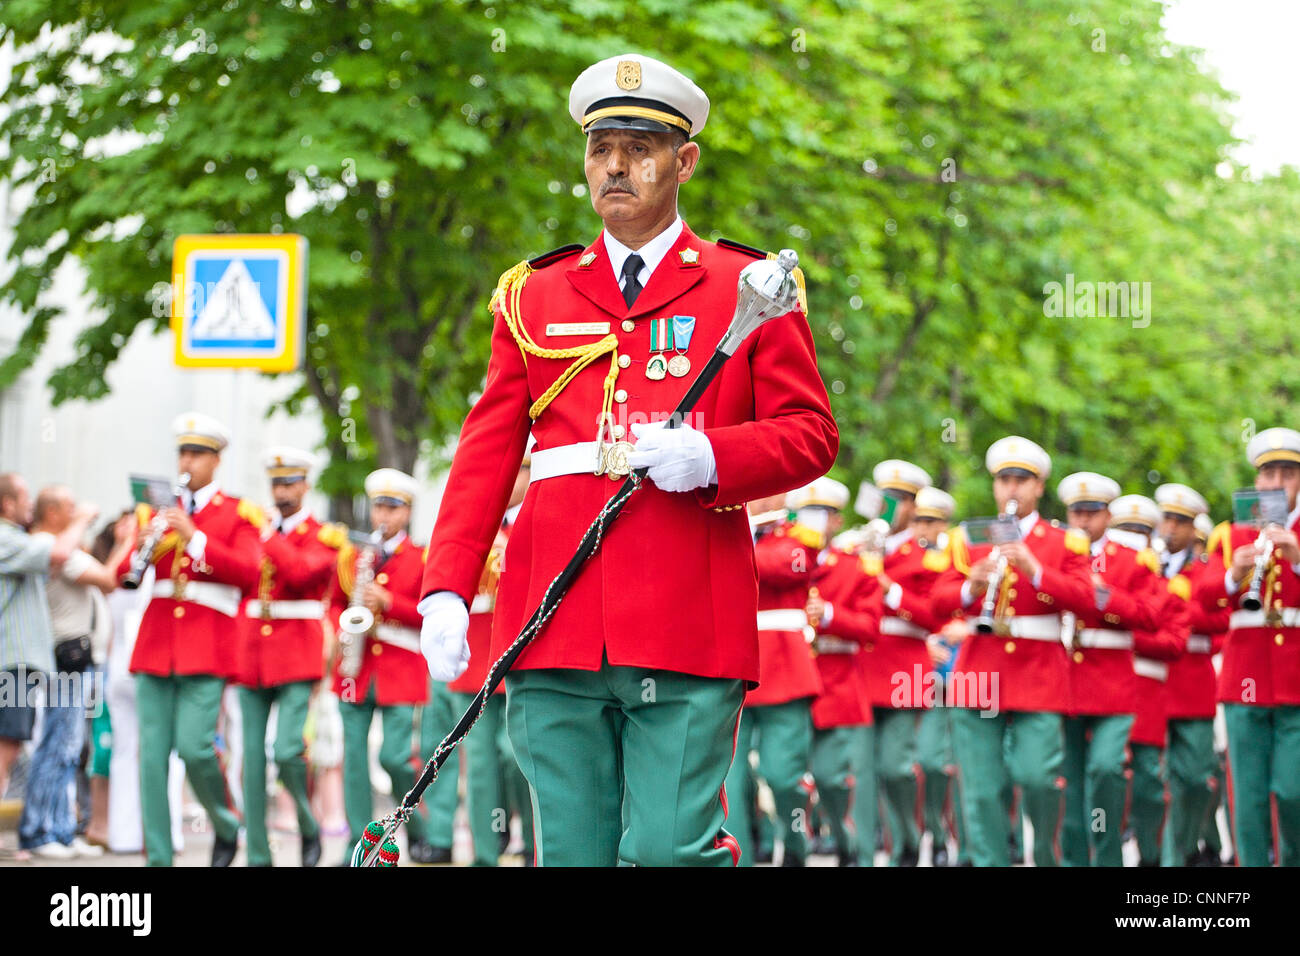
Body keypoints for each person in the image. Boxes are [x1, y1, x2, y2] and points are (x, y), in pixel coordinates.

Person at [417, 53, 838, 866]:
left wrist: (714, 454)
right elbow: (488, 449)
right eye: (600, 147)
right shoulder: (533, 293)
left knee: (670, 852)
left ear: (685, 162)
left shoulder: (746, 286)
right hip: (551, 615)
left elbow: (811, 432)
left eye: (640, 147)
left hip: (688, 613)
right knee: (571, 853)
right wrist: (446, 585)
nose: (615, 165)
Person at [931, 437, 1094, 866]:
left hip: (1038, 670)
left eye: (1021, 480)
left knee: (1037, 777)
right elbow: (936, 600)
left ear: (1039, 486)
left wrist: (1035, 570)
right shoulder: (968, 537)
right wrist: (972, 585)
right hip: (979, 670)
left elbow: (1085, 598)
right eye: (1004, 480)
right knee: (981, 788)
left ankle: (1043, 855)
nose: (1011, 489)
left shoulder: (1066, 541)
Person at [123, 413, 262, 866]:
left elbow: (249, 572)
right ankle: (159, 860)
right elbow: (127, 570)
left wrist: (195, 536)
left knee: (196, 747)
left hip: (208, 645)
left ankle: (225, 821)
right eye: (183, 452)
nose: (188, 461)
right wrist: (141, 542)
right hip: (156, 643)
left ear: (216, 460)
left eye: (197, 453)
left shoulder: (238, 513)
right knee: (151, 759)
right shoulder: (156, 510)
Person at [1196, 426, 1300, 866]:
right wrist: (1231, 576)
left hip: (1296, 678)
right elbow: (1199, 598)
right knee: (1248, 793)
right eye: (1267, 473)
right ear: (1256, 481)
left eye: (1287, 473)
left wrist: (1295, 557)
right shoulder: (1229, 533)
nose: (1275, 483)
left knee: (1293, 790)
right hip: (1245, 677)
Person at [234, 447, 340, 867]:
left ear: (305, 485)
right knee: (252, 757)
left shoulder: (325, 535)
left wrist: (266, 537)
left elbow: (299, 573)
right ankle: (258, 854)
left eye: (290, 482)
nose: (281, 490)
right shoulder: (256, 533)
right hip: (253, 652)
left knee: (286, 749)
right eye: (276, 482)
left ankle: (307, 823)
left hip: (297, 649)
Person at [17, 487, 133, 860]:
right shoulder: (52, 545)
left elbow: (106, 577)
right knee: (57, 745)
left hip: (80, 661)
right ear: (51, 511)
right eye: (69, 506)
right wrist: (128, 539)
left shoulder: (57, 544)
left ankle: (62, 830)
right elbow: (110, 579)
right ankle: (39, 832)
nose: (77, 510)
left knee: (70, 747)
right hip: (68, 660)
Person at [330, 469, 439, 864]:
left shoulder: (423, 557)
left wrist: (389, 601)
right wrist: (338, 633)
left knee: (394, 757)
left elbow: (431, 614)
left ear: (407, 512)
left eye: (392, 508)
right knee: (354, 762)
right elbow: (333, 605)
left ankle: (416, 827)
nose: (383, 515)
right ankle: (357, 844)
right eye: (379, 506)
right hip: (354, 670)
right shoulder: (353, 556)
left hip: (399, 669)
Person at [1054, 476, 1161, 867]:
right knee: (1070, 782)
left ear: (1107, 515)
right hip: (1065, 680)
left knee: (1104, 770)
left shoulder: (1131, 558)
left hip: (1112, 684)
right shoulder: (1056, 552)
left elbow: (1151, 616)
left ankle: (1108, 859)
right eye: (1076, 512)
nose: (1082, 520)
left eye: (1091, 512)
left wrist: (1101, 594)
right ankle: (1074, 860)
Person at [0, 475, 100, 859]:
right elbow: (58, 555)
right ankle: (38, 832)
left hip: (21, 663)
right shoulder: (11, 538)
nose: (29, 508)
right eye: (23, 498)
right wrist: (84, 519)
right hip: (12, 662)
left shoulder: (20, 539)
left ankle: (51, 829)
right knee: (7, 746)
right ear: (7, 504)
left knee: (13, 746)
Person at [723, 497, 825, 866]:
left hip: (783, 669)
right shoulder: (726, 524)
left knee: (783, 776)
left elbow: (788, 566)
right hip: (730, 666)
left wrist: (731, 542)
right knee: (727, 780)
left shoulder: (800, 536)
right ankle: (736, 860)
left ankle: (796, 846)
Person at [444, 457, 534, 866]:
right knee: (479, 768)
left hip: (524, 657)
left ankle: (538, 851)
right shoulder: (476, 524)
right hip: (479, 659)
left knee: (521, 760)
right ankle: (484, 856)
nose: (512, 477)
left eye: (521, 468)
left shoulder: (535, 519)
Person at [793, 477, 879, 867]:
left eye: (820, 514)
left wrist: (828, 615)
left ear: (837, 521)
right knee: (785, 777)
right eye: (804, 514)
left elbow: (870, 627)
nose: (812, 522)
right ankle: (791, 848)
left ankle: (847, 843)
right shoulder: (783, 558)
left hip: (836, 679)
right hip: (789, 676)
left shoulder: (854, 568)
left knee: (830, 776)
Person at [868, 459, 935, 866]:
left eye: (899, 500)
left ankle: (911, 837)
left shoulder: (927, 556)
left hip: (904, 670)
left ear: (913, 507)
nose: (891, 507)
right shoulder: (863, 545)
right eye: (886, 498)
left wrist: (889, 590)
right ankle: (893, 845)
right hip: (863, 667)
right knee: (867, 769)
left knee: (896, 767)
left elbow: (933, 615)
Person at [1154, 484, 1226, 866]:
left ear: (1193, 528)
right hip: (1152, 680)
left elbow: (1222, 619)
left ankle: (1184, 845)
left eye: (1180, 521)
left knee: (1197, 778)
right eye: (1167, 518)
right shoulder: (1145, 564)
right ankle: (1164, 856)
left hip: (1193, 683)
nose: (1171, 527)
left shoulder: (1206, 567)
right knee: (1155, 781)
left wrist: (1180, 607)